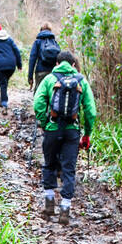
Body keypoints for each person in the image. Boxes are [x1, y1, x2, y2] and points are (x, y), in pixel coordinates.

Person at [33, 50, 97, 224]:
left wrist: (45, 122)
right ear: (74, 65)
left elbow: (38, 102)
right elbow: (91, 111)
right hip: (72, 131)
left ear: (57, 64)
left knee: (49, 164)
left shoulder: (49, 79)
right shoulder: (81, 81)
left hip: (52, 128)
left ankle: (49, 205)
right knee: (69, 169)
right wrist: (87, 134)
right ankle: (65, 210)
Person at [0, 22, 23, 109]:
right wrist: (19, 65)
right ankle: (1, 99)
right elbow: (16, 51)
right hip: (11, 65)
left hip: (1, 65)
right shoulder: (9, 39)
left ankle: (4, 103)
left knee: (3, 83)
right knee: (4, 83)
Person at [28, 22, 61, 91]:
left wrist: (30, 76)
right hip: (53, 73)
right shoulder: (54, 42)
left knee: (39, 95)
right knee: (51, 94)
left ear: (41, 30)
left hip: (40, 72)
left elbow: (32, 59)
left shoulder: (37, 42)